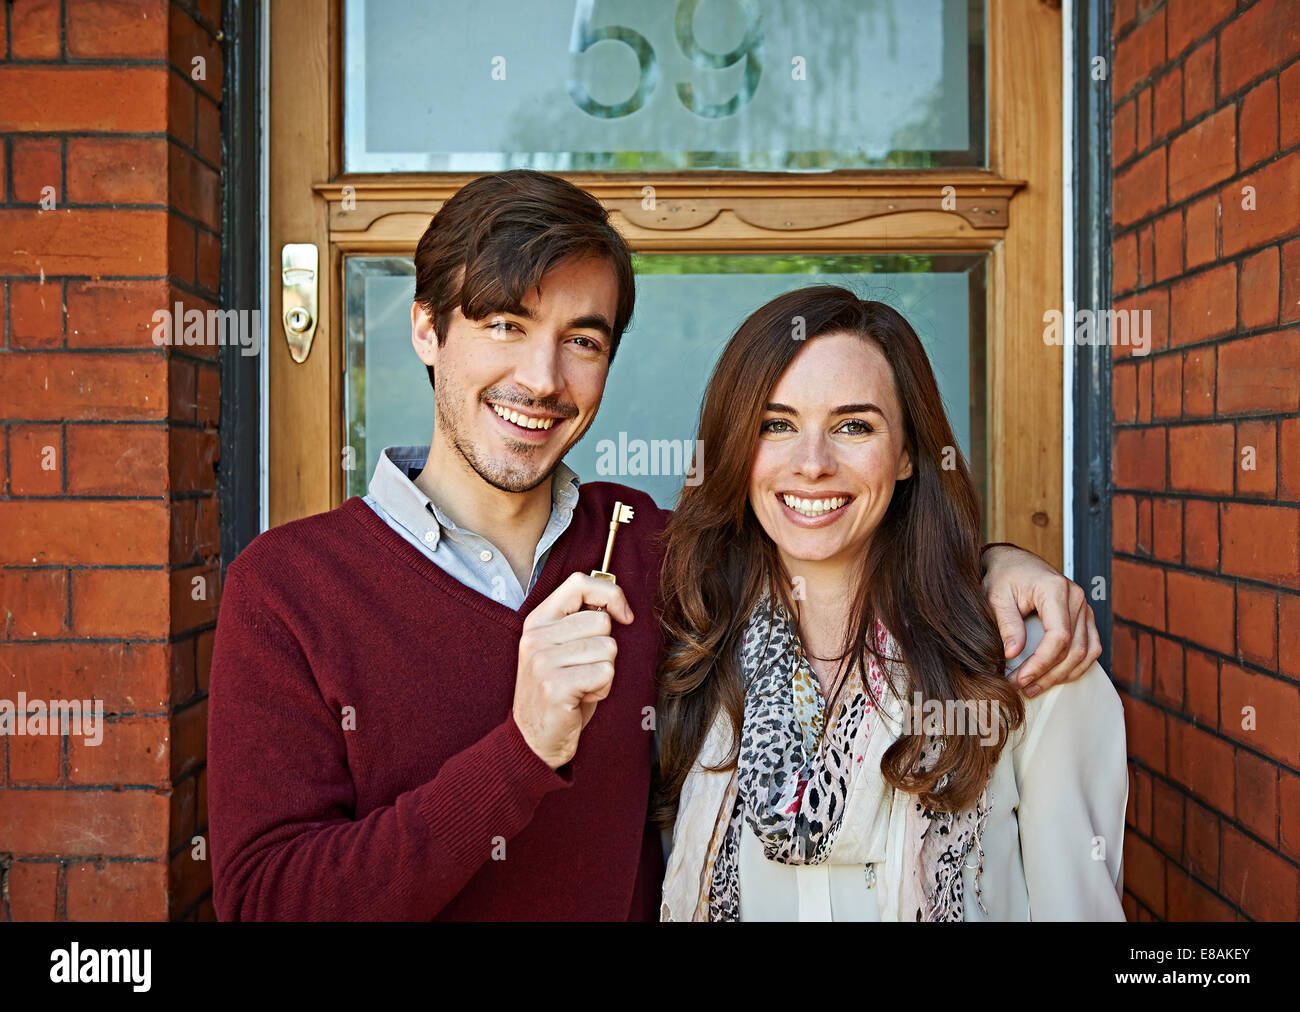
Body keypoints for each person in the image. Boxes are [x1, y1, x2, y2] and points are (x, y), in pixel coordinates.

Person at [208, 170, 1103, 921]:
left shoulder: (655, 555)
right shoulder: (286, 590)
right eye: (505, 325)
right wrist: (521, 752)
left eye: (581, 340)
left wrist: (998, 571)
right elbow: (261, 903)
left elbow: (829, 534)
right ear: (427, 329)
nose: (542, 379)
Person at [657, 287, 1127, 921]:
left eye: (854, 426)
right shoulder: (690, 649)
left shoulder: (1029, 659)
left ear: (907, 453)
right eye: (777, 425)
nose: (813, 464)